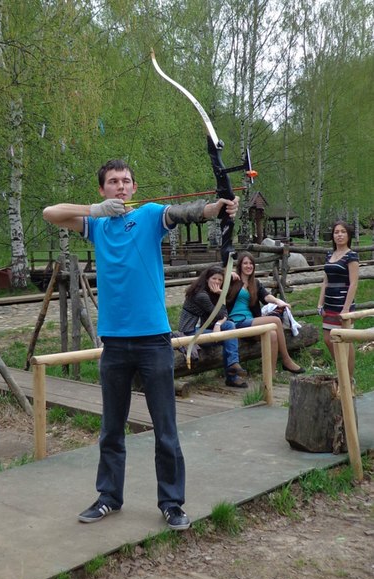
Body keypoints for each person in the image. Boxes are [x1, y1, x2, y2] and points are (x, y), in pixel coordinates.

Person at [43, 159, 239, 531]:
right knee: (111, 428)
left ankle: (172, 503)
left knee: (165, 428)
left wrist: (218, 208)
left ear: (134, 187)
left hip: (153, 340)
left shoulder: (148, 215)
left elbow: (186, 212)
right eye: (113, 182)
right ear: (103, 189)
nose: (120, 186)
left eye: (126, 181)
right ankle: (108, 497)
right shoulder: (97, 225)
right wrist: (95, 210)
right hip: (114, 343)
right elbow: (50, 213)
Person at [226, 251, 305, 375]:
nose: (248, 266)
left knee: (272, 334)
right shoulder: (232, 280)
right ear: (240, 265)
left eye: (251, 263)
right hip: (236, 322)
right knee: (275, 320)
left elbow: (266, 296)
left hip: (250, 323)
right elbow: (212, 275)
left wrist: (278, 301)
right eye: (245, 263)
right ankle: (286, 359)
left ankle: (270, 374)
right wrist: (227, 273)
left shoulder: (255, 283)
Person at [179, 265, 248, 388]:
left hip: (203, 328)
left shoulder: (210, 293)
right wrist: (221, 295)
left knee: (229, 325)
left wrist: (218, 324)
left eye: (220, 280)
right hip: (190, 332)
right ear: (207, 279)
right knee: (228, 336)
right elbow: (220, 314)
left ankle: (233, 366)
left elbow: (224, 316)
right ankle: (232, 374)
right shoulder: (201, 295)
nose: (217, 282)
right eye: (214, 279)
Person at [317, 220, 359, 379]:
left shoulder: (351, 256)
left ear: (348, 235)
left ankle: (349, 378)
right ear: (333, 236)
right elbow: (325, 281)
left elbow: (354, 283)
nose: (339, 235)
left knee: (346, 341)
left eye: (343, 232)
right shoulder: (330, 255)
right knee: (328, 339)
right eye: (336, 232)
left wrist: (346, 309)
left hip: (343, 304)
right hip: (329, 304)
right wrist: (320, 304)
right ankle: (342, 370)